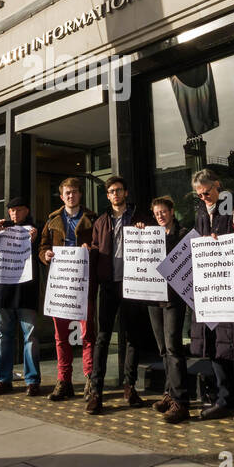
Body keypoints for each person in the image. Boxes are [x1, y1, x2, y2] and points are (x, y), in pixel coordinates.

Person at [189, 168, 234, 422]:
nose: (203, 197)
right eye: (199, 194)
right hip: (211, 286)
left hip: (233, 285)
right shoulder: (200, 211)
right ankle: (224, 399)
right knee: (215, 344)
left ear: (217, 185)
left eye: (207, 192)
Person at [88, 176, 146, 414]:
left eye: (119, 190)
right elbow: (94, 247)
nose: (115, 194)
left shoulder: (138, 218)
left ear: (126, 193)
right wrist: (86, 250)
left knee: (132, 337)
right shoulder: (101, 221)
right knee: (102, 337)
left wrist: (145, 230)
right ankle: (96, 391)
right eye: (111, 191)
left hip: (132, 283)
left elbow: (152, 242)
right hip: (109, 285)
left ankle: (129, 386)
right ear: (108, 195)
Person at [38, 178, 96, 401]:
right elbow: (42, 246)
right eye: (67, 193)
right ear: (61, 196)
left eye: (74, 192)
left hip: (83, 283)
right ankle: (64, 381)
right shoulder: (53, 219)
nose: (71, 196)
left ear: (80, 195)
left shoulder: (92, 218)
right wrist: (46, 255)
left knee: (87, 333)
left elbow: (100, 245)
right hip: (60, 285)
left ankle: (90, 379)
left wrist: (90, 249)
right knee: (61, 336)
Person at [0, 198, 41, 396]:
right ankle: (4, 379)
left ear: (26, 210)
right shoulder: (1, 230)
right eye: (11, 211)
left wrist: (35, 241)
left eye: (18, 210)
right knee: (5, 336)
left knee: (30, 336)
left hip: (25, 291)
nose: (14, 214)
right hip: (3, 292)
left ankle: (32, 380)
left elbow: (43, 254)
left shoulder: (34, 230)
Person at [139, 197, 190, 423]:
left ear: (171, 212)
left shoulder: (182, 234)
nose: (160, 216)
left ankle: (181, 401)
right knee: (163, 349)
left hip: (173, 299)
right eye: (156, 213)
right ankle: (169, 395)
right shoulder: (151, 234)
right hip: (154, 298)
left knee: (173, 347)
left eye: (163, 212)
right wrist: (141, 234)